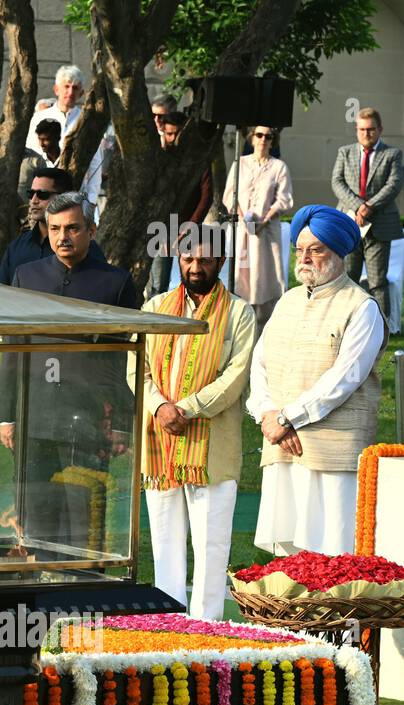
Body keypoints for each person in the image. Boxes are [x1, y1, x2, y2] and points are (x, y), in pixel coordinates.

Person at [0, 192, 139, 549]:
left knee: (83, 517)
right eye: (56, 228)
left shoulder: (116, 283)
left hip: (90, 423)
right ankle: (36, 584)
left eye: (73, 228)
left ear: (91, 230)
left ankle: (82, 587)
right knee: (35, 513)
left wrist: (122, 421)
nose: (63, 237)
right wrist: (6, 416)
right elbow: (13, 350)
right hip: (34, 419)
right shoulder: (25, 276)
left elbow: (127, 360)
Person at [248, 204, 386, 556]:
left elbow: (345, 378)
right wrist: (267, 414)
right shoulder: (288, 301)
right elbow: (259, 363)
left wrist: (285, 418)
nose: (305, 258)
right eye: (300, 249)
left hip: (333, 452)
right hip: (282, 444)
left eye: (316, 249)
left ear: (338, 252)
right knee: (289, 555)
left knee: (333, 551)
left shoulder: (362, 306)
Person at [138, 226, 257, 621]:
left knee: (211, 544)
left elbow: (235, 378)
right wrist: (159, 408)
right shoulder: (155, 307)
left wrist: (185, 409)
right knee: (165, 541)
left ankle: (207, 626)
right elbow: (137, 370)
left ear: (220, 262)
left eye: (204, 260)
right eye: (187, 259)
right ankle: (168, 620)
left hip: (212, 445)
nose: (194, 268)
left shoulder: (239, 313)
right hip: (159, 442)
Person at [331, 107, 402, 327]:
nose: (366, 134)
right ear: (356, 130)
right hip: (349, 224)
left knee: (377, 282)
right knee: (348, 278)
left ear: (380, 130)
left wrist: (369, 207)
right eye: (362, 129)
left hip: (379, 225)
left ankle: (380, 329)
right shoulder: (345, 152)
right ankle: (348, 324)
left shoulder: (392, 154)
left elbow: (394, 184)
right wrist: (358, 207)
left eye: (371, 129)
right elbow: (337, 182)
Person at [223, 125, 293, 333]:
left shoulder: (279, 167)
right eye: (259, 135)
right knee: (241, 278)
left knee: (265, 279)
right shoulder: (240, 164)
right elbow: (230, 195)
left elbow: (284, 199)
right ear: (251, 138)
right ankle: (239, 327)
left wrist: (264, 220)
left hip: (267, 232)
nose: (263, 139)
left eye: (268, 136)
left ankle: (265, 330)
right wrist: (243, 217)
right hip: (242, 231)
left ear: (273, 140)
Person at [0, 167, 110, 285]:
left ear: (63, 198)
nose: (34, 200)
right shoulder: (17, 246)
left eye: (42, 195)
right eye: (31, 193)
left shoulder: (85, 247)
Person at [147, 111, 214, 296]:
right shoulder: (158, 159)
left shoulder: (198, 160)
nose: (173, 139)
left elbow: (207, 196)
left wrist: (189, 227)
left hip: (188, 227)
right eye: (169, 134)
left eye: (177, 134)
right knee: (158, 285)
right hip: (160, 228)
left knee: (194, 279)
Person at [27, 65, 84, 156]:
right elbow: (31, 150)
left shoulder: (85, 120)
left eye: (75, 88)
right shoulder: (40, 117)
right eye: (66, 86)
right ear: (56, 89)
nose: (70, 92)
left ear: (81, 93)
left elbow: (95, 158)